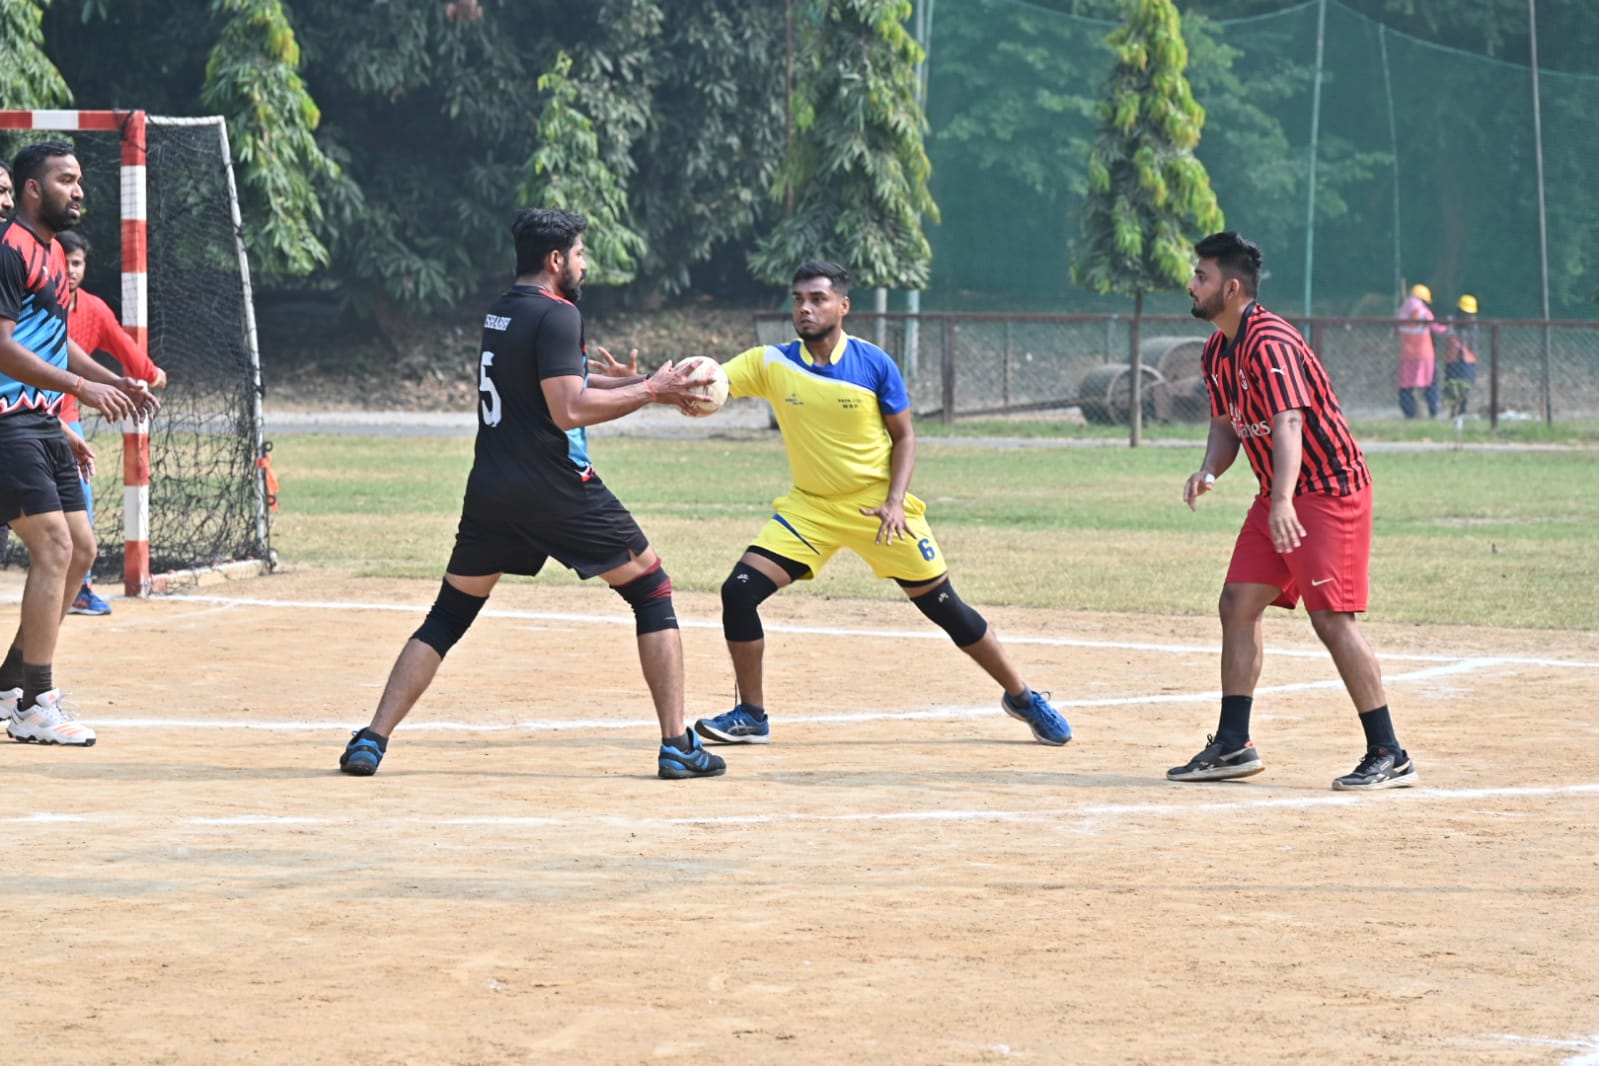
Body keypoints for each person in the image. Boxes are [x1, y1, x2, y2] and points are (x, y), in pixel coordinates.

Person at [338, 207, 728, 781]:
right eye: (580, 253)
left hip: (492, 489)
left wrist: (644, 385)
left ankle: (372, 739)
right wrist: (650, 390)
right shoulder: (560, 314)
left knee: (447, 616)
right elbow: (569, 407)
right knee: (652, 591)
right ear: (555, 259)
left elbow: (557, 382)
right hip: (553, 487)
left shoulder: (504, 310)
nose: (584, 264)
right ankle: (677, 745)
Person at [681, 261, 1071, 749]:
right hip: (810, 510)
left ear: (843, 306)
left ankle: (1023, 697)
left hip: (879, 510)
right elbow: (706, 382)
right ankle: (751, 715)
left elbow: (905, 436)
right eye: (798, 298)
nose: (805, 308)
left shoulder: (873, 363)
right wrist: (646, 386)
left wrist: (895, 501)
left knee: (948, 609)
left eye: (818, 298)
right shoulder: (771, 362)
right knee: (738, 592)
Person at [1170, 231, 1415, 791]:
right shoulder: (1216, 351)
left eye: (1202, 277)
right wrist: (1210, 470)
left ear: (1232, 288)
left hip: (1327, 491)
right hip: (1279, 494)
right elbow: (1226, 426)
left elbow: (1289, 422)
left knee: (1331, 619)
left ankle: (1390, 751)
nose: (1192, 284)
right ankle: (1234, 744)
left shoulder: (1270, 341)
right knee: (1237, 603)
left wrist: (1282, 500)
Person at [0, 141, 158, 743]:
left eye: (79, 179)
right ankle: (35, 702)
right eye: (66, 180)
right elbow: (3, 347)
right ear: (33, 188)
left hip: (43, 421)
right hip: (9, 420)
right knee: (54, 546)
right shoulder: (9, 249)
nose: (79, 191)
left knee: (82, 550)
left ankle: (10, 684)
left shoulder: (50, 253)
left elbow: (56, 340)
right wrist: (79, 390)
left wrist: (110, 380)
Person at [1395, 283, 1444, 418]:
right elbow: (1436, 328)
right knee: (1430, 383)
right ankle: (1433, 411)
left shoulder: (1401, 313)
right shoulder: (1424, 312)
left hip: (1407, 354)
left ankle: (1409, 413)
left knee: (1406, 385)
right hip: (1425, 354)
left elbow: (1397, 331)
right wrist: (1449, 328)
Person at [1442, 293, 1480, 419]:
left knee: (1466, 386)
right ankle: (1452, 410)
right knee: (1452, 386)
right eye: (1465, 313)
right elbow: (1446, 334)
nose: (1468, 317)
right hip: (1453, 359)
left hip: (1467, 361)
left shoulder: (1473, 326)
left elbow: (1473, 345)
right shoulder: (1451, 322)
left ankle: (1462, 411)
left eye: (1470, 314)